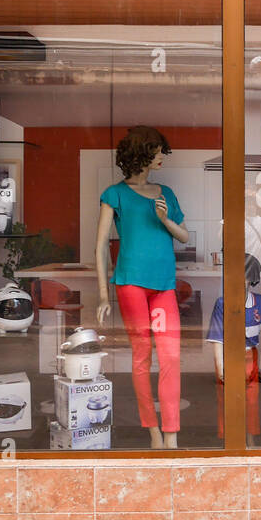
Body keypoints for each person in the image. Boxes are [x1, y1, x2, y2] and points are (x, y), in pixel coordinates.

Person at [94, 126, 189, 449]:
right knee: (141, 357)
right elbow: (100, 245)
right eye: (158, 151)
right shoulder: (114, 194)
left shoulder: (166, 194)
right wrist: (104, 295)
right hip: (130, 284)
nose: (162, 157)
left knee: (171, 356)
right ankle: (153, 433)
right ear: (143, 153)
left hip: (163, 285)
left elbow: (184, 236)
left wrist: (165, 220)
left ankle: (172, 436)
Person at [207, 254, 261, 446]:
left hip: (251, 357)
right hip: (229, 356)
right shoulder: (222, 303)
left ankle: (250, 438)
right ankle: (230, 442)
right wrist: (220, 366)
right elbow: (217, 339)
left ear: (252, 278)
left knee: (251, 401)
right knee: (227, 400)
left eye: (245, 275)